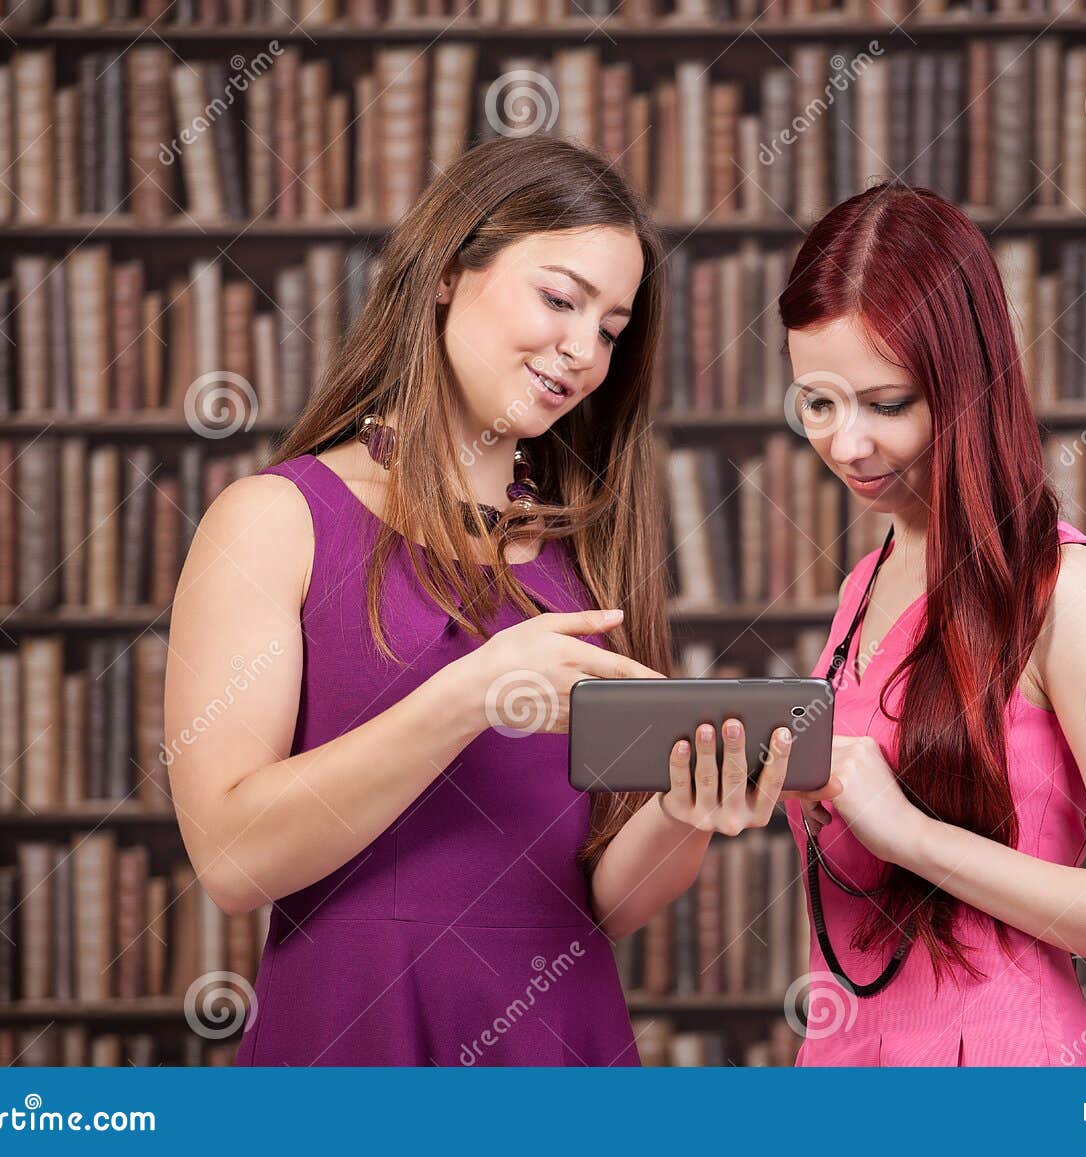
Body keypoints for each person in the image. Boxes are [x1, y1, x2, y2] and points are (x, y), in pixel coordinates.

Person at [164, 135, 818, 1066]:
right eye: (559, 299)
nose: (583, 350)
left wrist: (684, 811)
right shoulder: (274, 520)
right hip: (356, 1040)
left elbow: (604, 905)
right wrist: (477, 691)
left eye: (612, 327)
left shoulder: (587, 549)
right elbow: (232, 860)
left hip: (562, 1045)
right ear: (445, 272)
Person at [769, 182, 1086, 1065]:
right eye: (817, 404)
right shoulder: (864, 584)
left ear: (966, 381)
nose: (846, 445)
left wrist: (910, 834)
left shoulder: (1069, 589)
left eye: (886, 402)